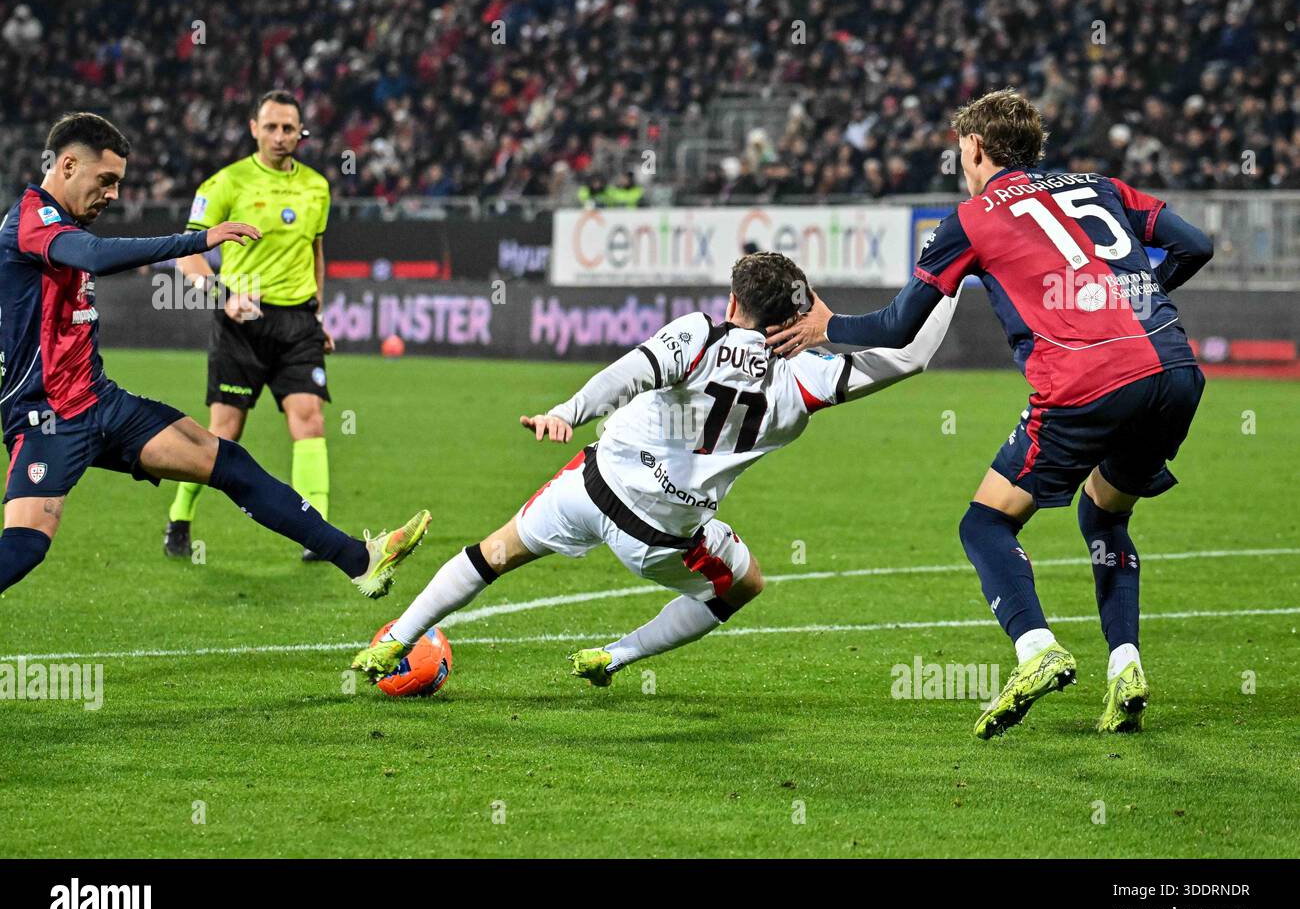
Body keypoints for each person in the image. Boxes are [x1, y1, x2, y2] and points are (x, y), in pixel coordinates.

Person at [766, 90, 1213, 737]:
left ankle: (1036, 650)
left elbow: (897, 326)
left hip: (1086, 380)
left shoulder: (972, 218)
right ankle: (1125, 666)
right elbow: (1194, 244)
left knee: (984, 526)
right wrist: (1134, 297)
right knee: (1103, 513)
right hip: (1174, 369)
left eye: (960, 152)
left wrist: (827, 324)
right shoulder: (1101, 185)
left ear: (975, 150)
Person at [350, 252, 958, 685]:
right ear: (795, 315)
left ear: (732, 303)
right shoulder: (808, 381)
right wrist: (950, 279)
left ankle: (396, 641)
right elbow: (909, 357)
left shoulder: (698, 335)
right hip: (662, 539)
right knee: (744, 585)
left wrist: (567, 411)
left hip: (591, 487)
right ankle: (616, 656)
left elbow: (628, 373)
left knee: (494, 553)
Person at [0, 112, 429, 599]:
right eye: (107, 181)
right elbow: (97, 256)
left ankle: (362, 561)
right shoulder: (33, 218)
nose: (114, 194)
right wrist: (200, 240)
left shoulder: (63, 221)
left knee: (229, 463)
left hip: (101, 402)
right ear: (69, 165)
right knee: (25, 547)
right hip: (47, 418)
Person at [165, 90, 337, 563]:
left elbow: (315, 253)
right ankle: (180, 515)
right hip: (242, 321)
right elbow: (188, 253)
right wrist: (222, 295)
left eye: (289, 128)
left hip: (298, 321)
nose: (281, 136)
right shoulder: (227, 182)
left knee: (310, 420)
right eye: (272, 127)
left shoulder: (318, 187)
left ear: (300, 132)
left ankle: (315, 534)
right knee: (224, 434)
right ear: (253, 128)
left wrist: (318, 314)